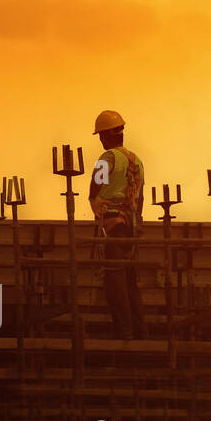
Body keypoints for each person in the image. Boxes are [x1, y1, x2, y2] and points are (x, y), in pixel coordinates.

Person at [87, 109, 146, 340]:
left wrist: (93, 200)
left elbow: (96, 182)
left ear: (105, 136)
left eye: (101, 135)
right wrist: (136, 220)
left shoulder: (108, 157)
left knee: (115, 282)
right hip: (131, 226)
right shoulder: (137, 160)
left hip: (113, 225)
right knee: (130, 281)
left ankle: (124, 332)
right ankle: (140, 331)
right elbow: (140, 197)